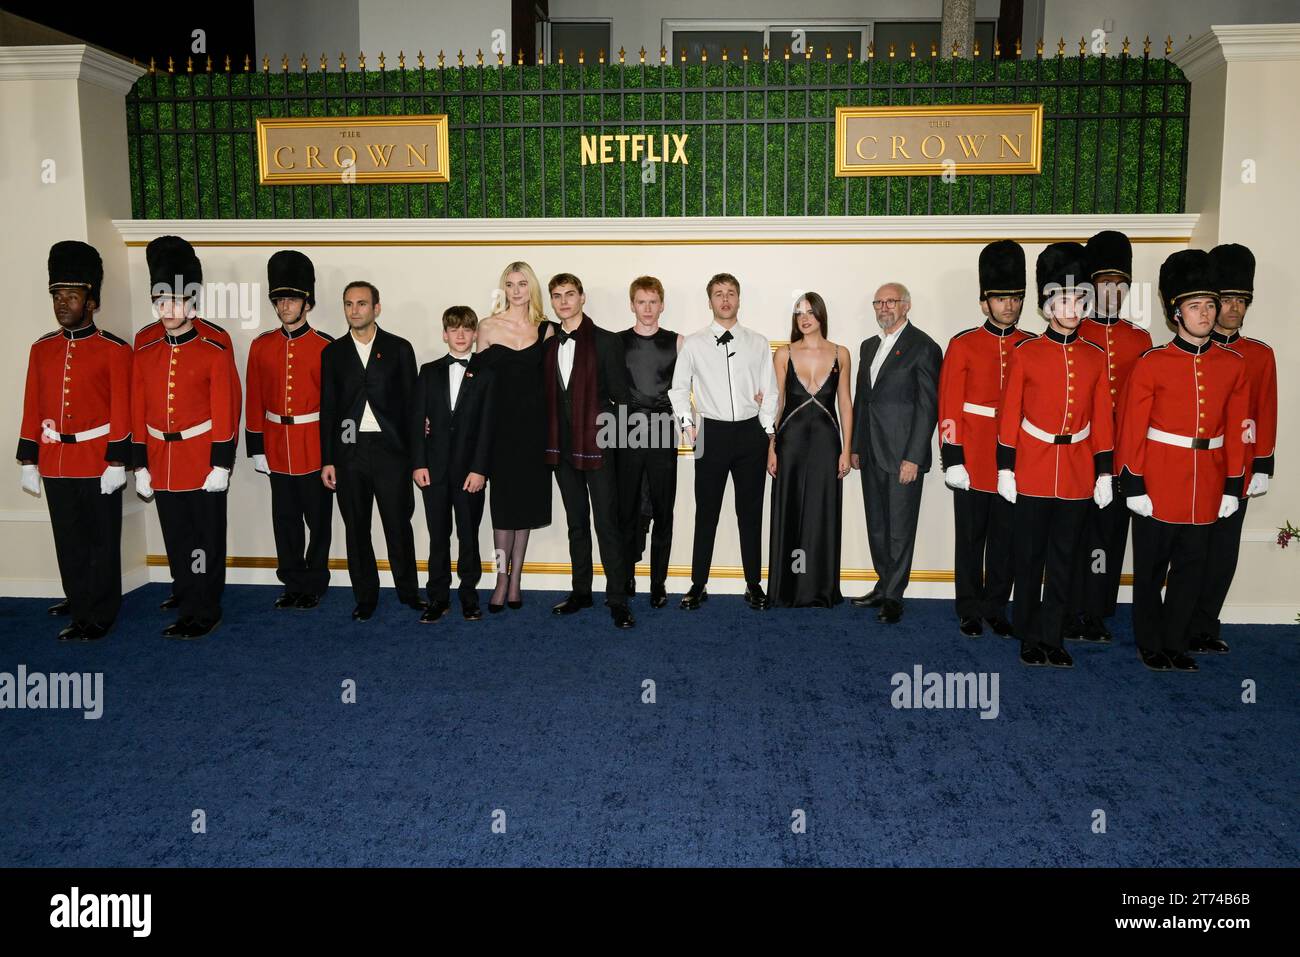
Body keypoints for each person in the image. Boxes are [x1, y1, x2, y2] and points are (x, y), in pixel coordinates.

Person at [1118, 249, 1250, 672]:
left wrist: (1233, 484)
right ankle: (1150, 642)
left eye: (1211, 305)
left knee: (1192, 568)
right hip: (1158, 478)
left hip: (1209, 481)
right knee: (1152, 568)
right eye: (1195, 306)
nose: (1207, 314)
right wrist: (1132, 482)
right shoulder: (1152, 362)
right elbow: (1132, 428)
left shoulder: (1233, 365)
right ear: (1176, 313)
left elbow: (1238, 428)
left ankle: (1176, 642)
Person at [997, 242, 1115, 668]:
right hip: (1032, 465)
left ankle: (1054, 635)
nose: (1072, 307)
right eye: (1063, 299)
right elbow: (1010, 413)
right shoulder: (1025, 352)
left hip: (1077, 471)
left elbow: (1103, 417)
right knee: (1029, 558)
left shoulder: (1095, 356)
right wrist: (1005, 468)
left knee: (1066, 559)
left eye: (1079, 299)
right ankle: (1029, 634)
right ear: (1047, 306)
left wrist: (1104, 472)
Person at [17, 241, 132, 642]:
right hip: (56, 459)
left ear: (91, 301)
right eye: (57, 295)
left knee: (101, 541)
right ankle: (78, 602)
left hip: (97, 459)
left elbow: (123, 408)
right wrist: (29, 459)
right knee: (68, 539)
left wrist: (117, 462)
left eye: (72, 296)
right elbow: (33, 404)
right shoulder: (42, 349)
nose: (62, 303)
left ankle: (100, 613)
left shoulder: (115, 350)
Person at [132, 236, 238, 639]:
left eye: (175, 301)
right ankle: (187, 598)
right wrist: (140, 463)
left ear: (190, 303)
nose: (168, 310)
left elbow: (225, 409)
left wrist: (221, 463)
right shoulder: (145, 353)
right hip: (162, 458)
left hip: (201, 458)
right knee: (176, 537)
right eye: (161, 301)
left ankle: (204, 608)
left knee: (204, 540)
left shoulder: (213, 350)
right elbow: (138, 411)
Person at [938, 240, 1034, 638]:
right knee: (971, 537)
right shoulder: (963, 344)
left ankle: (996, 605)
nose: (1008, 305)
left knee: (1005, 538)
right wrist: (952, 454)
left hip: (1018, 456)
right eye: (1000, 298)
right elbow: (949, 404)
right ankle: (969, 606)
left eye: (1014, 298)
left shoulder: (1032, 344)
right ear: (984, 303)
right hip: (973, 454)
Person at [669, 273, 778, 611]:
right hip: (711, 433)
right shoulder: (694, 343)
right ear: (710, 300)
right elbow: (677, 389)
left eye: (731, 293)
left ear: (739, 299)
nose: (725, 299)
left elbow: (770, 391)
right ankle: (697, 583)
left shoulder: (758, 342)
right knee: (707, 512)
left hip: (750, 435)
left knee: (750, 512)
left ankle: (753, 584)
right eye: (718, 294)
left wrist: (767, 430)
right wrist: (689, 426)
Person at [1187, 243, 1276, 654]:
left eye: (1243, 301)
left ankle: (1206, 624)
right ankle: (1180, 621)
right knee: (1191, 548)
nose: (1235, 309)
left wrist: (1262, 464)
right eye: (1228, 300)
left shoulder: (1259, 355)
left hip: (1236, 468)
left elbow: (1265, 412)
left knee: (1223, 551)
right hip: (1197, 466)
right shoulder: (1192, 354)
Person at [1065, 230, 1152, 644]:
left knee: (1110, 537)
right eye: (1104, 284)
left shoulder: (1141, 339)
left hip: (1119, 457)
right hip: (1079, 453)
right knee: (1073, 533)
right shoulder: (1073, 332)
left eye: (1120, 285)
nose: (1112, 292)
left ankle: (1097, 609)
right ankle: (1068, 606)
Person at [319, 280, 424, 622]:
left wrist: (416, 458)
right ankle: (365, 597)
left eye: (362, 304)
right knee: (356, 528)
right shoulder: (333, 353)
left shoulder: (399, 348)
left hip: (391, 452)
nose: (355, 310)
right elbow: (329, 409)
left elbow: (413, 407)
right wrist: (328, 460)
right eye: (349, 304)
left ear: (376, 308)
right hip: (349, 454)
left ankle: (408, 592)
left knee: (398, 524)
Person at [543, 273, 634, 629]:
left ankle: (617, 599)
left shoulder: (607, 342)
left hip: (598, 448)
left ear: (582, 298)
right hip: (561, 449)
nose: (563, 301)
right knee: (576, 524)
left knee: (606, 524)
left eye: (569, 294)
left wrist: (614, 441)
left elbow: (621, 398)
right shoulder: (549, 346)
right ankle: (581, 590)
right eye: (556, 296)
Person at [244, 250, 334, 610]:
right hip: (276, 447)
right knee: (285, 521)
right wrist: (257, 447)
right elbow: (254, 398)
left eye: (292, 298)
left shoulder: (326, 346)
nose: (285, 305)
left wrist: (332, 454)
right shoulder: (261, 345)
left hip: (313, 446)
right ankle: (292, 581)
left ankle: (315, 581)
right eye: (280, 298)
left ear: (306, 302)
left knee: (319, 521)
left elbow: (333, 408)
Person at [849, 282, 943, 624]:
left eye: (891, 301)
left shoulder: (924, 347)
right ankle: (883, 583)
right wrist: (857, 445)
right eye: (879, 302)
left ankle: (894, 595)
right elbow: (864, 399)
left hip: (903, 455)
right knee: (877, 524)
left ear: (906, 305)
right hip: (871, 451)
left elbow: (928, 406)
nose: (884, 307)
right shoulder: (867, 346)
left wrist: (914, 457)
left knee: (900, 528)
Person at [470, 262, 555, 612]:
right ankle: (500, 577)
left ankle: (516, 578)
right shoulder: (487, 327)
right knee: (503, 511)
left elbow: (554, 385)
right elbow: (474, 385)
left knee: (525, 510)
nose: (517, 290)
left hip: (535, 432)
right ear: (503, 288)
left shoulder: (546, 329)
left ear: (531, 288)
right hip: (500, 431)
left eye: (523, 283)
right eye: (510, 283)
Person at [767, 292, 853, 607]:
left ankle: (818, 589)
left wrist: (846, 449)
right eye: (798, 313)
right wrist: (771, 446)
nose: (804, 318)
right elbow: (777, 404)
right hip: (790, 443)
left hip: (827, 444)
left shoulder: (841, 353)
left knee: (821, 514)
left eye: (809, 312)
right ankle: (788, 588)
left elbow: (845, 403)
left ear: (820, 315)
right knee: (789, 512)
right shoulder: (783, 354)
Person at [411, 306, 495, 623]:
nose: (460, 335)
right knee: (438, 536)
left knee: (469, 537)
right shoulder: (428, 371)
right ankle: (438, 597)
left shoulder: (486, 376)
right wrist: (418, 463)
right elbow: (417, 420)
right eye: (454, 329)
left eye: (466, 329)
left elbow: (488, 427)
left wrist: (480, 469)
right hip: (433, 471)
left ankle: (469, 597)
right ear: (444, 334)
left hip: (469, 473)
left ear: (475, 335)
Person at [618, 276, 682, 609]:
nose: (647, 308)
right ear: (632, 304)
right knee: (626, 508)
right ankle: (627, 573)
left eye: (653, 302)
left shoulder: (677, 341)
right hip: (624, 430)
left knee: (663, 510)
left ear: (661, 304)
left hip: (662, 429)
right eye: (641, 302)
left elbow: (695, 384)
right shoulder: (617, 342)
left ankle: (658, 583)